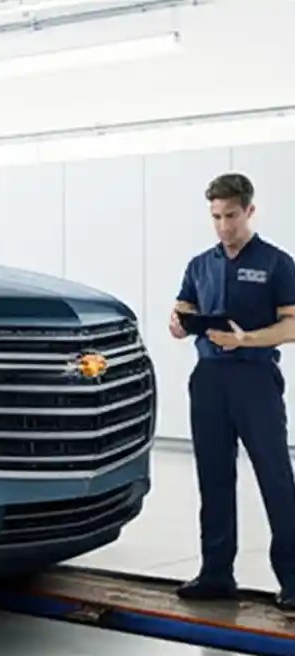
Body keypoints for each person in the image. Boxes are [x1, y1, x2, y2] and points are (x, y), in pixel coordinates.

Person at [169, 172, 295, 609]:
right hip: (208, 381)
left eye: (232, 216)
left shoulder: (278, 263)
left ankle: (293, 581)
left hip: (255, 379)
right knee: (214, 478)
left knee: (276, 478)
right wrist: (179, 325)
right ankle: (216, 574)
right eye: (216, 217)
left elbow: (292, 325)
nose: (224, 226)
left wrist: (245, 339)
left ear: (250, 211)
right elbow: (183, 312)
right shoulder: (200, 264)